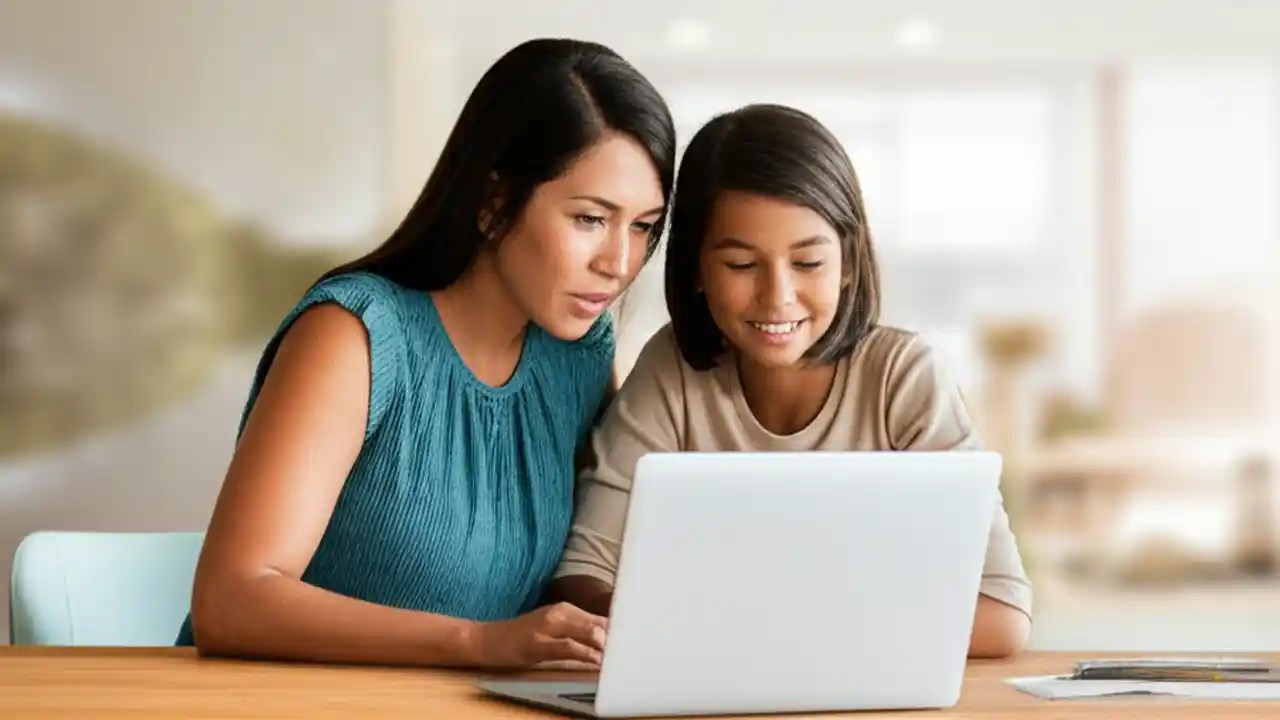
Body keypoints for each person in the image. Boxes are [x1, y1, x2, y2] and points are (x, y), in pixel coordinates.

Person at [177, 38, 676, 669]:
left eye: (643, 226)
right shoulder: (353, 335)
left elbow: (585, 559)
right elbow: (231, 601)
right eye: (589, 219)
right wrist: (477, 642)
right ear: (494, 202)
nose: (620, 263)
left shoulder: (577, 353)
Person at [546, 104, 1032, 658]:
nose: (776, 297)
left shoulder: (904, 378)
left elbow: (1002, 614)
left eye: (807, 263)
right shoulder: (674, 371)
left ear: (848, 262)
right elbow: (584, 576)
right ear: (697, 270)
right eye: (740, 265)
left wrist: (760, 632)